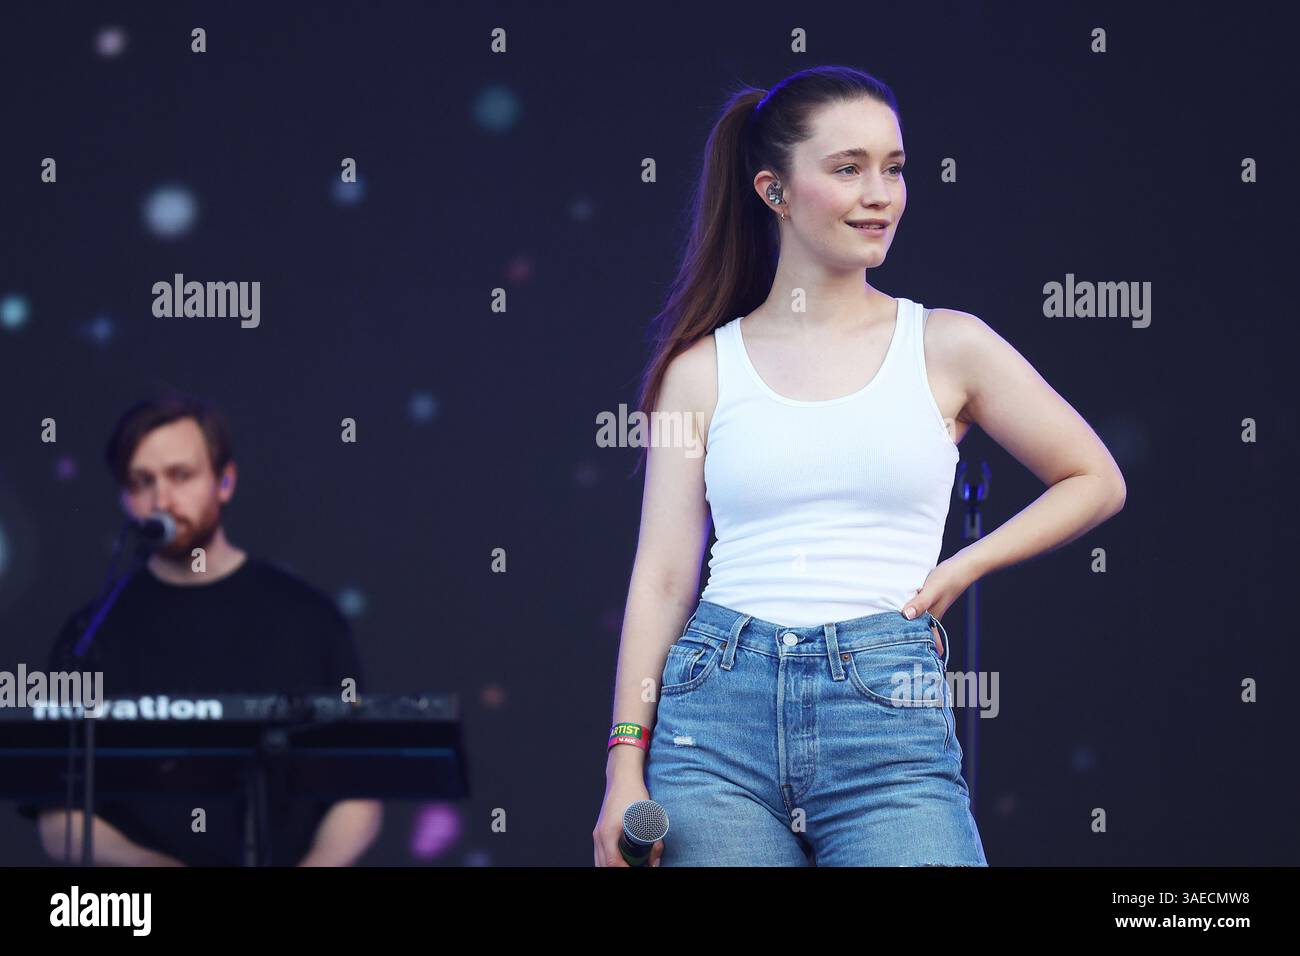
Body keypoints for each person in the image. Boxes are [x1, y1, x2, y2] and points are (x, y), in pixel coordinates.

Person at [593, 65, 1126, 866]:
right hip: (714, 722)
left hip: (886, 715)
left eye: (895, 168)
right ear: (773, 191)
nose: (881, 193)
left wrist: (964, 567)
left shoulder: (948, 345)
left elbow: (1096, 478)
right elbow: (665, 575)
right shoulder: (700, 370)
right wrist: (623, 767)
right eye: (848, 169)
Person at [18, 393, 384, 866]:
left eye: (181, 476)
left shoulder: (308, 617)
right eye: (141, 482)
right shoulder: (90, 635)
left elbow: (358, 792)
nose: (161, 501)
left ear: (225, 481)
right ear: (125, 498)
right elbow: (61, 819)